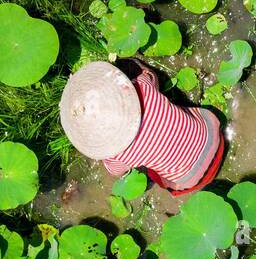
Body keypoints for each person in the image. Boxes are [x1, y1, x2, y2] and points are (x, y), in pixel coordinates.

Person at [59, 60, 225, 198]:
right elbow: (150, 76)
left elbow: (115, 172)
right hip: (214, 137)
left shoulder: (116, 154)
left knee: (154, 172)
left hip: (191, 181)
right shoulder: (143, 88)